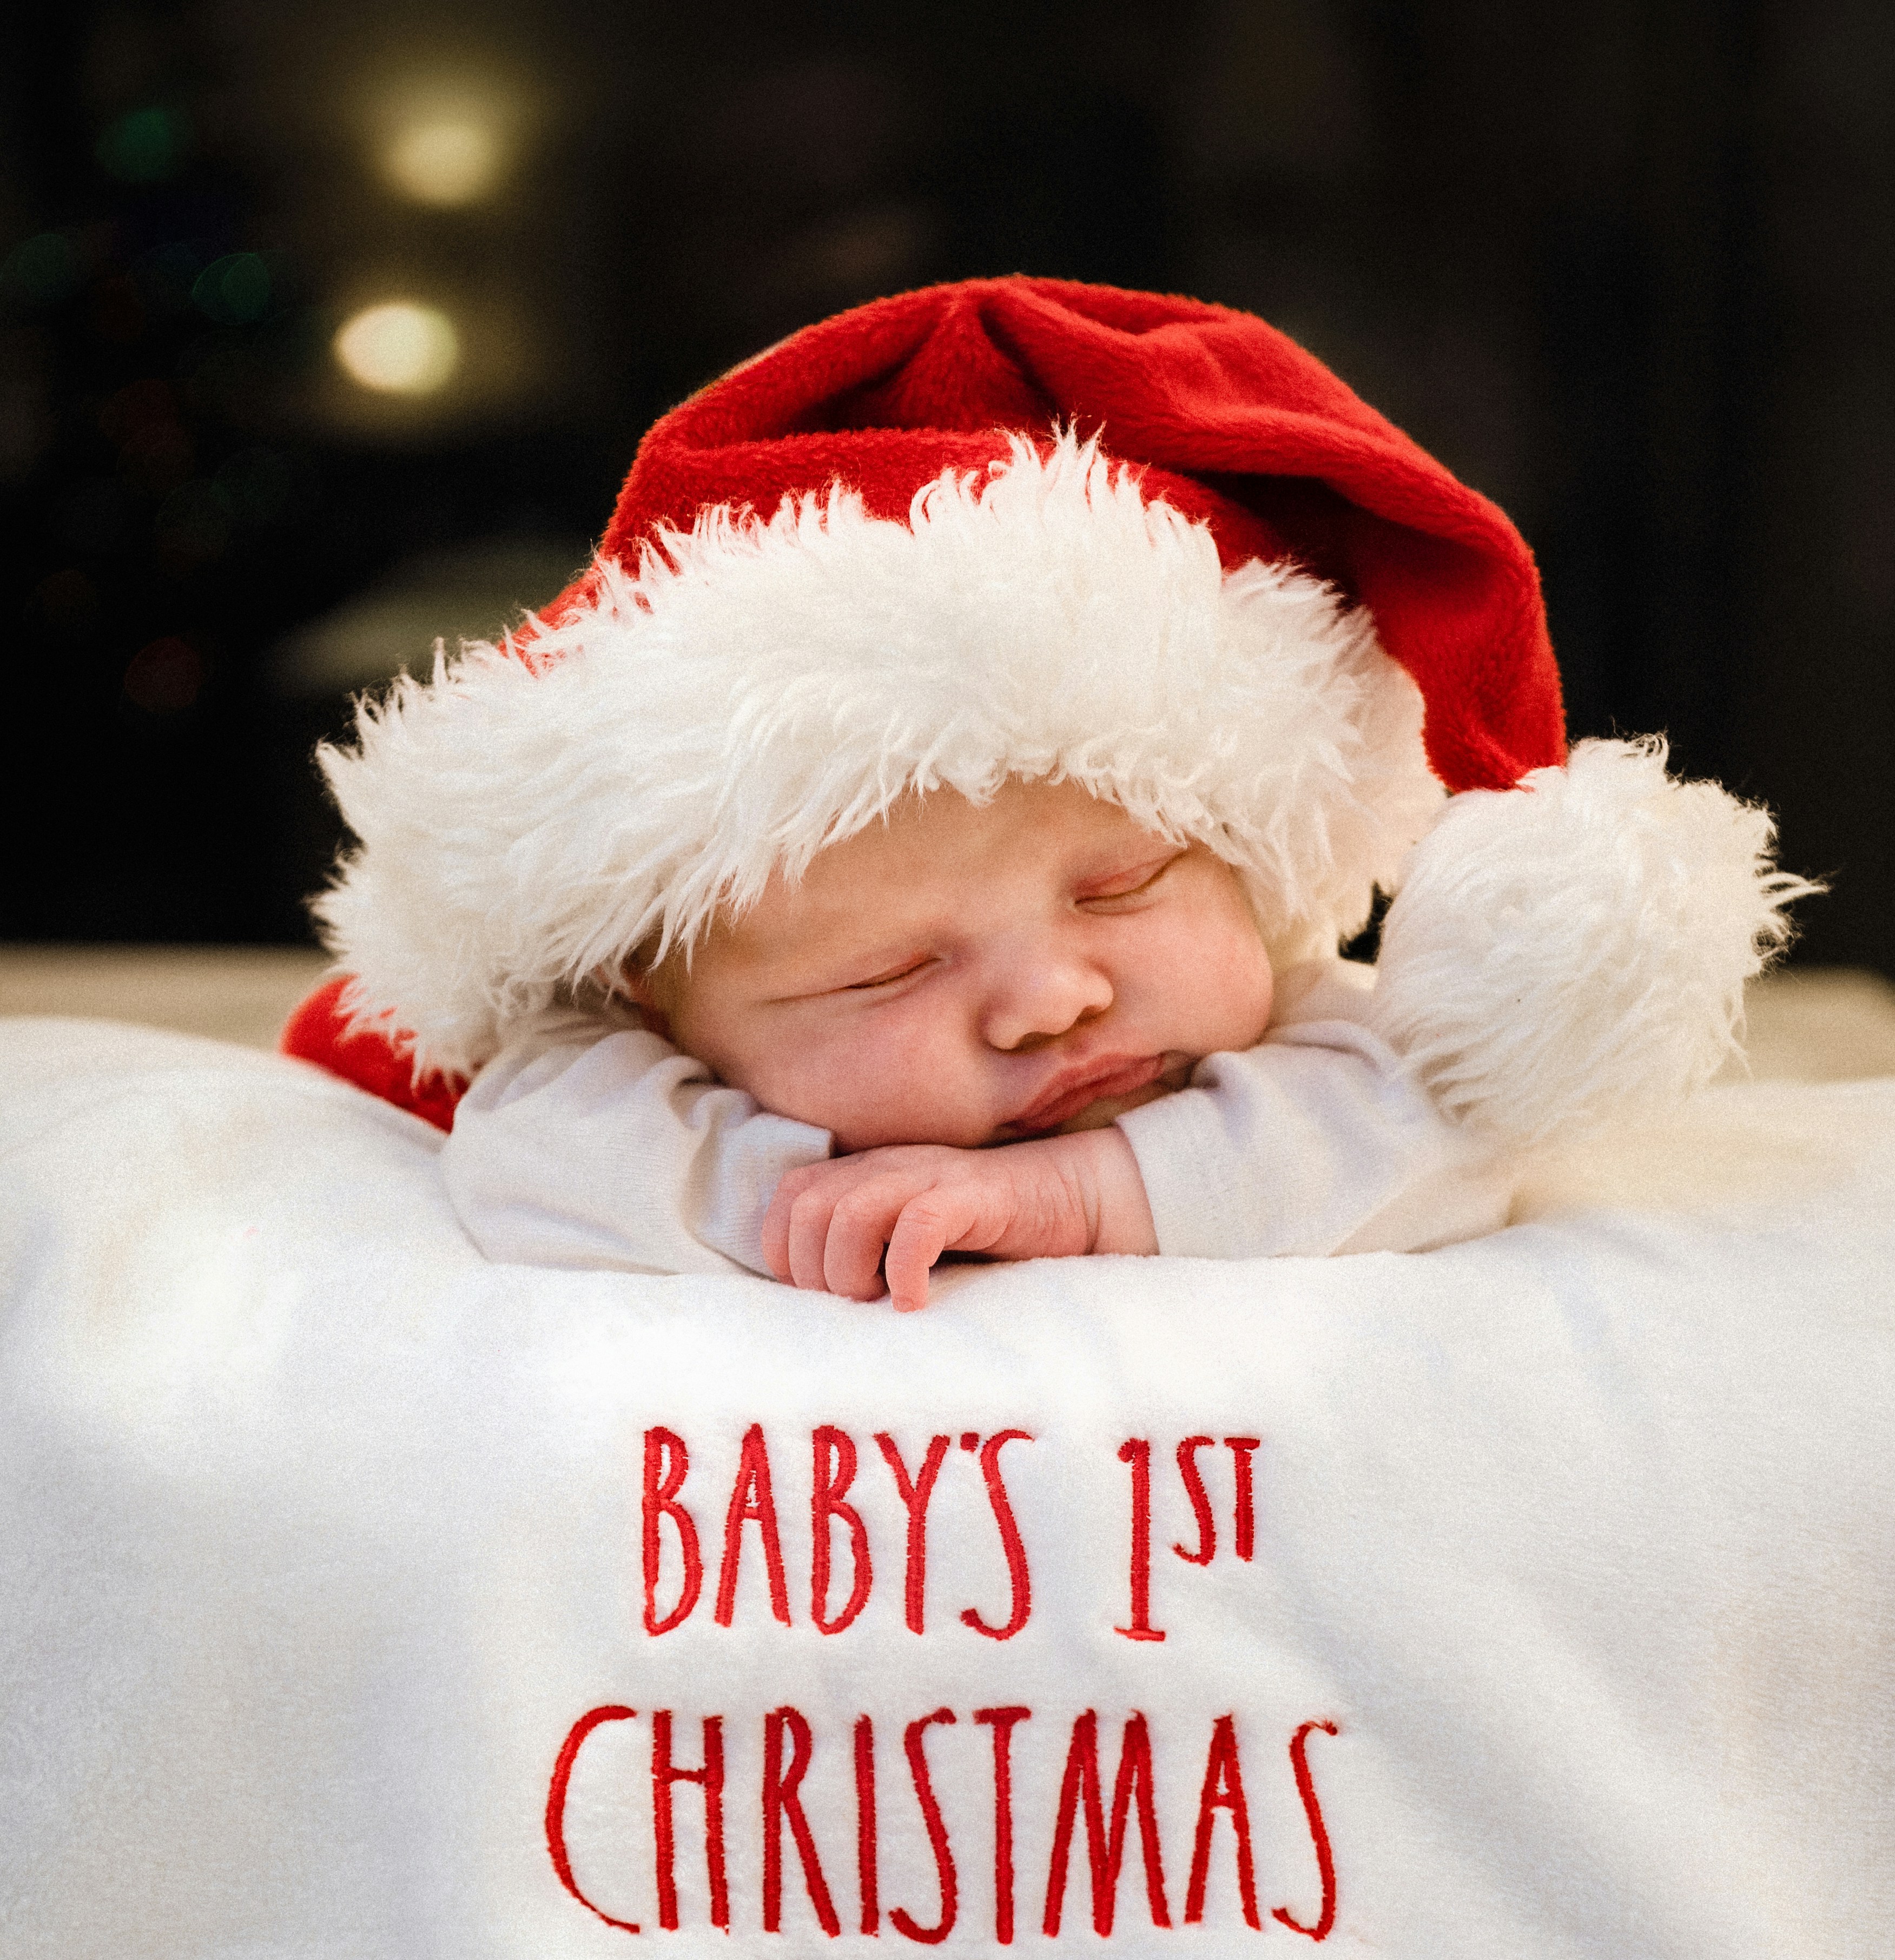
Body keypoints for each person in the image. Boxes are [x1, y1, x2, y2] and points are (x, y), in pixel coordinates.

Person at [288, 281, 1802, 1303]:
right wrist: (779, 1205)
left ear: (1242, 857)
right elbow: (535, 1178)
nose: (1049, 999)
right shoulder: (602, 1072)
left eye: (1123, 886)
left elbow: (1448, 1154)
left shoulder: (1309, 1041)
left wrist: (1085, 1199)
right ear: (651, 1000)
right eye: (885, 968)